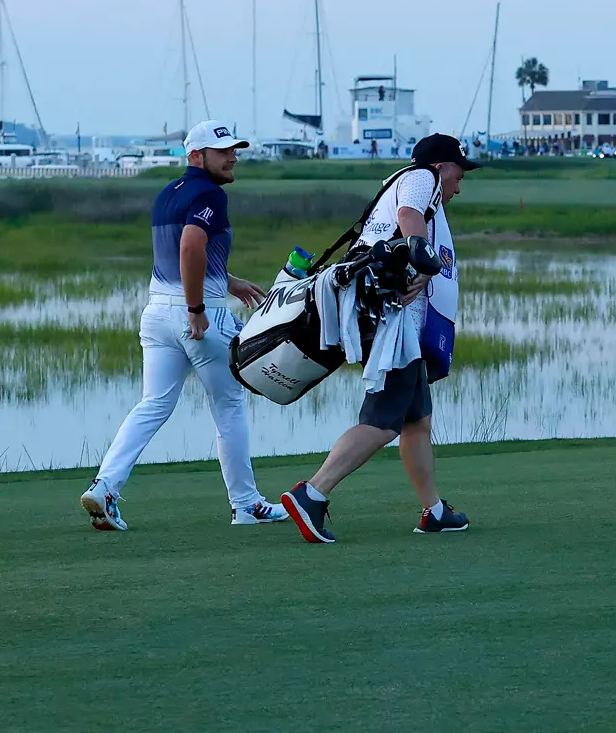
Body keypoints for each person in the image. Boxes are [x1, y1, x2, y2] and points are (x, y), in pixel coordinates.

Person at [79, 121, 287, 531]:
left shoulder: (167, 193)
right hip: (197, 317)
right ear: (196, 156)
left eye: (233, 149)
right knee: (228, 406)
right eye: (222, 150)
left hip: (157, 314)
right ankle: (246, 506)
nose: (232, 156)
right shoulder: (211, 193)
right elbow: (191, 245)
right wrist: (196, 308)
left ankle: (105, 487)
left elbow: (185, 254)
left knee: (153, 404)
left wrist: (229, 280)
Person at [281, 133, 479, 544]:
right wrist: (421, 260)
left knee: (416, 420)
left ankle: (434, 511)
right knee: (382, 423)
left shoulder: (412, 182)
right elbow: (409, 215)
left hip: (389, 316)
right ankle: (312, 494)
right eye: (459, 174)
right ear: (442, 167)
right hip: (394, 323)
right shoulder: (422, 177)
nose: (460, 185)